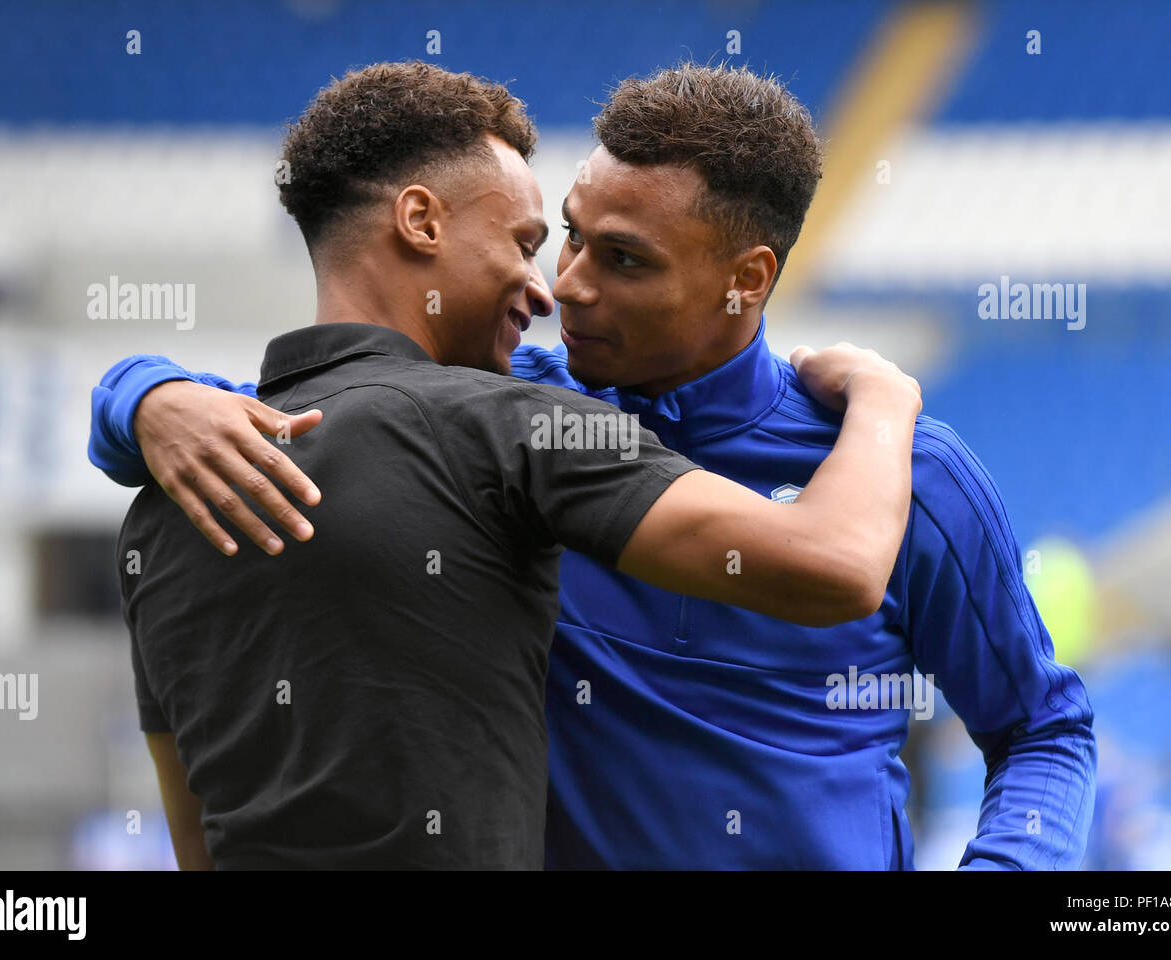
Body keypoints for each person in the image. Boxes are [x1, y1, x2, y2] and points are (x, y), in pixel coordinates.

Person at [93, 64, 1095, 870]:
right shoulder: (504, 425)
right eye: (564, 237)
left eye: (623, 260)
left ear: (745, 281)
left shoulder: (898, 475)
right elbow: (323, 394)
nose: (562, 286)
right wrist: (143, 396)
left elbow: (1043, 730)